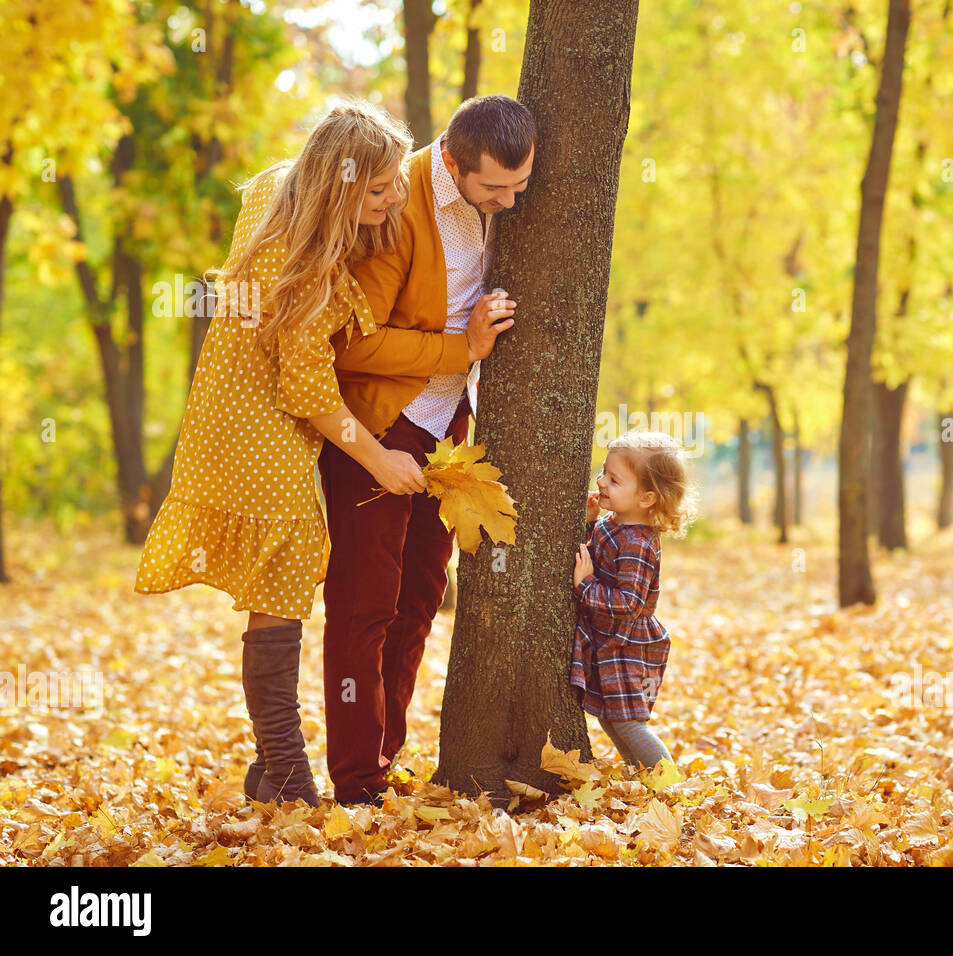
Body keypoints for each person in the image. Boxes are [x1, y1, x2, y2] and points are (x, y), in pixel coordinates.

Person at [134, 101, 419, 806]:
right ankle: (288, 771)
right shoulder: (307, 267)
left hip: (224, 406)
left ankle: (270, 772)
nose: (393, 199)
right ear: (338, 183)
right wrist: (380, 459)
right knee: (287, 565)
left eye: (395, 182)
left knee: (280, 573)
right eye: (378, 188)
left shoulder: (276, 189)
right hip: (261, 423)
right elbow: (309, 392)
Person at [320, 94, 535, 805]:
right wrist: (460, 348)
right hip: (382, 427)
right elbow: (353, 342)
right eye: (493, 189)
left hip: (448, 429)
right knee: (364, 604)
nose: (507, 202)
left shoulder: (495, 198)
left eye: (518, 187)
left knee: (418, 597)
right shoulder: (396, 204)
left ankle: (385, 753)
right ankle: (355, 782)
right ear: (452, 160)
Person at [571, 432, 698, 771]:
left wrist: (585, 586)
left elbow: (629, 602)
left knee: (627, 721)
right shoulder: (613, 525)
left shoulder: (638, 543)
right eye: (603, 471)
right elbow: (593, 556)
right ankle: (643, 778)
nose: (600, 481)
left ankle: (669, 783)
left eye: (614, 479)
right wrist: (587, 523)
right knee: (611, 719)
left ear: (645, 498)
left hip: (629, 644)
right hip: (611, 639)